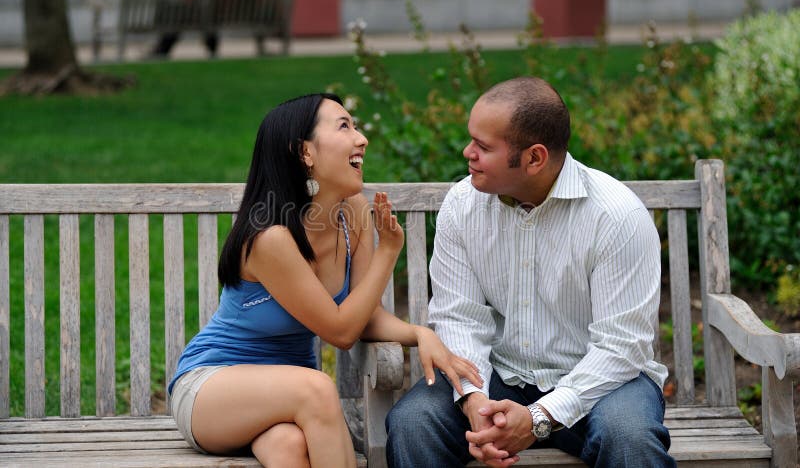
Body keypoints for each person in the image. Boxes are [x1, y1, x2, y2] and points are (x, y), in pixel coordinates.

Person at [168, 93, 482, 467]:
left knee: (289, 448)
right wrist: (388, 252)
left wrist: (421, 334)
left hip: (288, 402)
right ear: (305, 153)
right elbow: (341, 331)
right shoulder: (270, 239)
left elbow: (365, 318)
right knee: (316, 387)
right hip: (213, 388)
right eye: (344, 126)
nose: (362, 138)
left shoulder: (354, 212)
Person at [386, 77, 676, 468]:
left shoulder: (615, 216)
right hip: (497, 376)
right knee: (413, 423)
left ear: (534, 158)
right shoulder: (463, 205)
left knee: (631, 439)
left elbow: (619, 348)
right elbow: (459, 317)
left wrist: (539, 417)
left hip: (600, 385)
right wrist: (475, 401)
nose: (467, 152)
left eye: (483, 146)